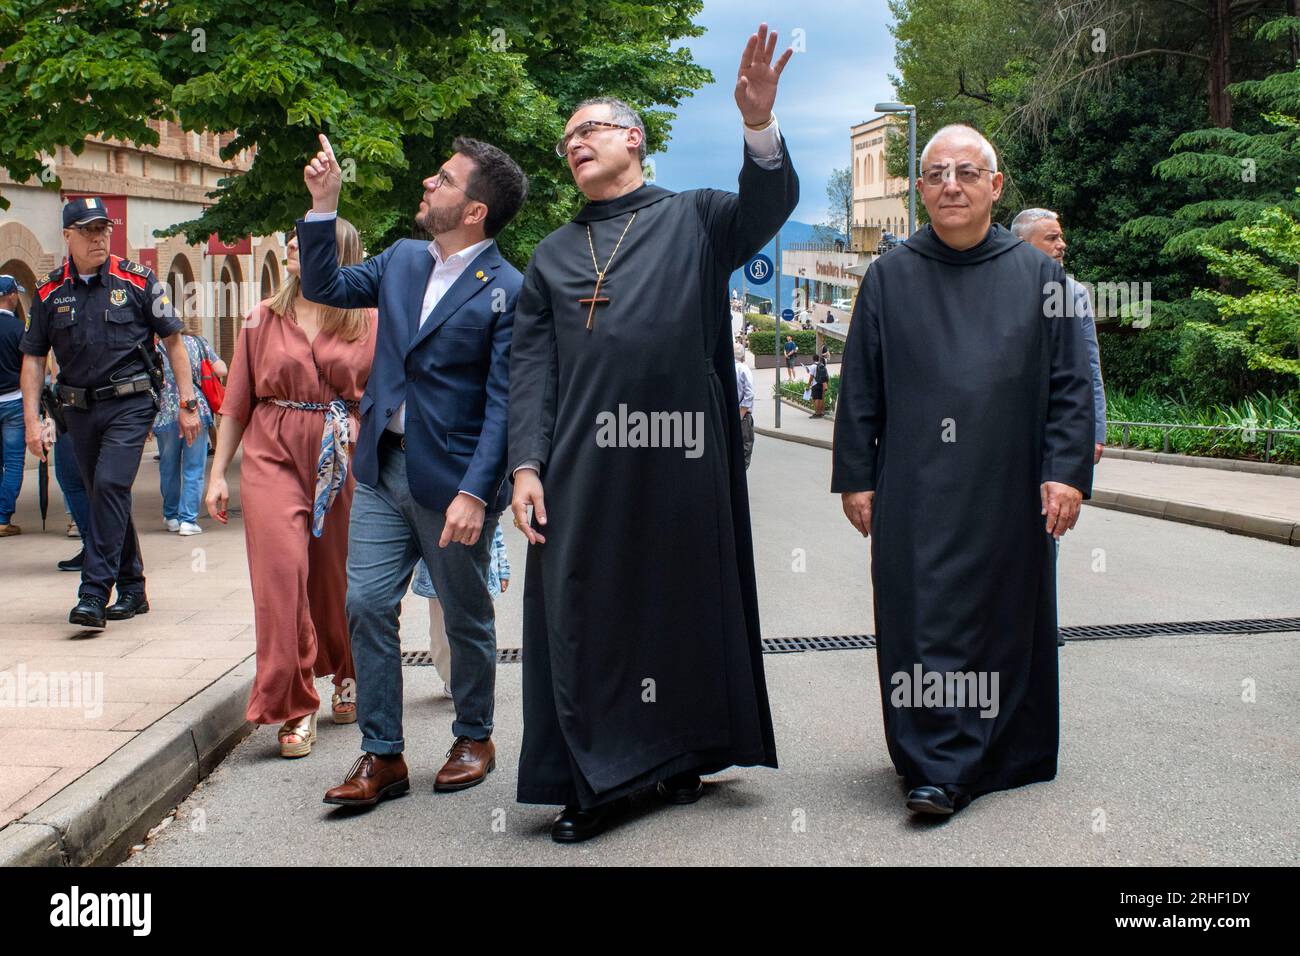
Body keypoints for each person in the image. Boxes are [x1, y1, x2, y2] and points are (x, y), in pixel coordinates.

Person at [509, 22, 797, 843]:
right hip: (581, 468)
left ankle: (679, 752)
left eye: (588, 129)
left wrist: (757, 124)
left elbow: (771, 205)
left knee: (679, 605)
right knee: (584, 611)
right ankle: (596, 777)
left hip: (680, 458)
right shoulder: (554, 256)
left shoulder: (696, 218)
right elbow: (532, 370)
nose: (574, 144)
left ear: (633, 139)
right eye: (566, 138)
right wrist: (526, 466)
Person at [831, 124, 1094, 817]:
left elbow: (1072, 383)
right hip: (914, 488)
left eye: (967, 173)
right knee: (921, 621)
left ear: (995, 187)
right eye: (937, 173)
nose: (952, 184)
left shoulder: (1042, 276)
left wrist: (1065, 471)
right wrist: (856, 475)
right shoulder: (888, 277)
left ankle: (1001, 749)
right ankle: (935, 763)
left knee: (1005, 617)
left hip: (1010, 485)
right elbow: (860, 385)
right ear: (920, 190)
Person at [296, 133, 527, 807]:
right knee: (365, 603)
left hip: (453, 483)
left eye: (444, 179)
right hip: (381, 467)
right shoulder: (400, 261)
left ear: (475, 210)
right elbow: (324, 284)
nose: (428, 183)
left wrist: (477, 492)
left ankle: (474, 736)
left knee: (463, 613)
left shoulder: (508, 291)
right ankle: (382, 755)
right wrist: (323, 207)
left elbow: (504, 405)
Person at [207, 219, 375, 757]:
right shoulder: (262, 318)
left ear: (340, 251)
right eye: (293, 241)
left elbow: (388, 395)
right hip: (271, 450)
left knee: (336, 576)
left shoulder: (369, 320)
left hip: (341, 453)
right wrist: (216, 473)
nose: (294, 247)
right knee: (281, 574)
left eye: (309, 240)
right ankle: (295, 703)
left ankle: (347, 671)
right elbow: (236, 402)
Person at [20, 197, 200, 630]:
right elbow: (32, 358)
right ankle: (133, 586)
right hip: (78, 411)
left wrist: (189, 404)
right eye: (88, 230)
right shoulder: (48, 292)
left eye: (103, 228)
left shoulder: (137, 281)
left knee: (110, 486)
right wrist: (30, 420)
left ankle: (93, 592)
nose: (99, 237)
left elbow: (174, 341)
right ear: (68, 236)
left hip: (131, 402)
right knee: (105, 494)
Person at [1010, 208, 1107, 465]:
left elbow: (1090, 367)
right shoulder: (997, 289)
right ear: (1023, 245)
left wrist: (1096, 432)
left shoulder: (1074, 294)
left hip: (1057, 429)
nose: (1061, 245)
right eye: (1052, 238)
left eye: (1061, 237)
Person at [411, 524, 511, 700]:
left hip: (477, 561)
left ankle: (474, 683)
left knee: (477, 630)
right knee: (441, 637)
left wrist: (503, 564)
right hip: (438, 565)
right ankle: (451, 677)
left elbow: (494, 525)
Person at [156, 322, 223, 535]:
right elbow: (222, 368)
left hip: (165, 413)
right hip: (195, 409)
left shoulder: (155, 348)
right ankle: (188, 520)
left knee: (168, 466)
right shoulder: (198, 343)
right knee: (194, 467)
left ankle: (171, 516)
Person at [0, 276, 27, 537]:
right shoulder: (20, 328)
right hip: (13, 401)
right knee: (14, 460)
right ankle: (3, 517)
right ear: (10, 295)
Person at [733, 342, 755, 469]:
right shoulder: (743, 368)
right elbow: (749, 393)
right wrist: (742, 413)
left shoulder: (727, 368)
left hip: (731, 413)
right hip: (743, 415)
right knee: (745, 446)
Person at [810, 351, 828, 418]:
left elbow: (811, 377)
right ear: (818, 359)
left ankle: (817, 413)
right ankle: (820, 412)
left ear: (813, 359)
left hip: (815, 383)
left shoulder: (812, 366)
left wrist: (808, 385)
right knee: (820, 398)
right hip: (822, 383)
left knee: (815, 398)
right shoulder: (821, 365)